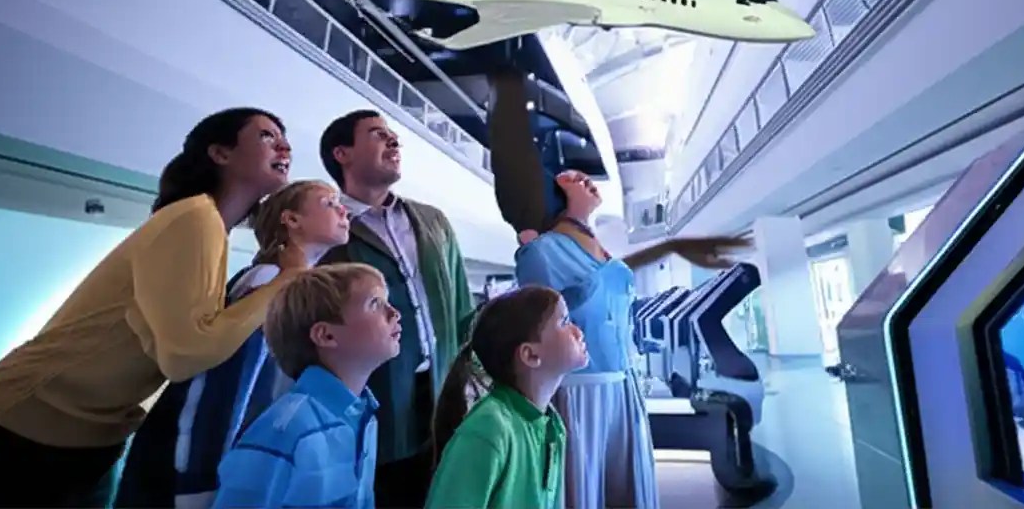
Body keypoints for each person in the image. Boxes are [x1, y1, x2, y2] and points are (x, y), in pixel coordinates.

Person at [0, 108, 298, 507]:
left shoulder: (212, 229)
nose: (284, 145)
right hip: (19, 428)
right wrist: (287, 279)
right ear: (220, 153)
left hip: (88, 440)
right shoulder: (194, 218)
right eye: (267, 136)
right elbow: (184, 353)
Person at [486, 69, 747, 509]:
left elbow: (605, 282)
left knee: (625, 488)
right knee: (584, 489)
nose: (580, 177)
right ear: (548, 192)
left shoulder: (595, 242)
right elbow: (540, 328)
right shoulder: (542, 253)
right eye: (565, 176)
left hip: (623, 384)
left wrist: (676, 245)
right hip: (579, 393)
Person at [115, 179, 351, 508]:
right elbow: (218, 391)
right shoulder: (266, 283)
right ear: (291, 220)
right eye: (329, 203)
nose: (344, 210)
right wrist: (200, 488)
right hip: (190, 465)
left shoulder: (286, 285)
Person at [318, 109, 476, 507]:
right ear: (343, 154)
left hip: (443, 392)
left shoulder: (432, 220)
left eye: (392, 135)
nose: (393, 141)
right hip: (373, 399)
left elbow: (461, 307)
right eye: (376, 134)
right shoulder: (326, 228)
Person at [213, 263, 400, 509]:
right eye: (375, 303)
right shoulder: (286, 431)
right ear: (326, 336)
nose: (394, 313)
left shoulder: (364, 418)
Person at [426, 286, 587, 509]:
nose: (578, 331)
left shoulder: (552, 424)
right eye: (563, 322)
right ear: (530, 355)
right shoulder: (488, 429)